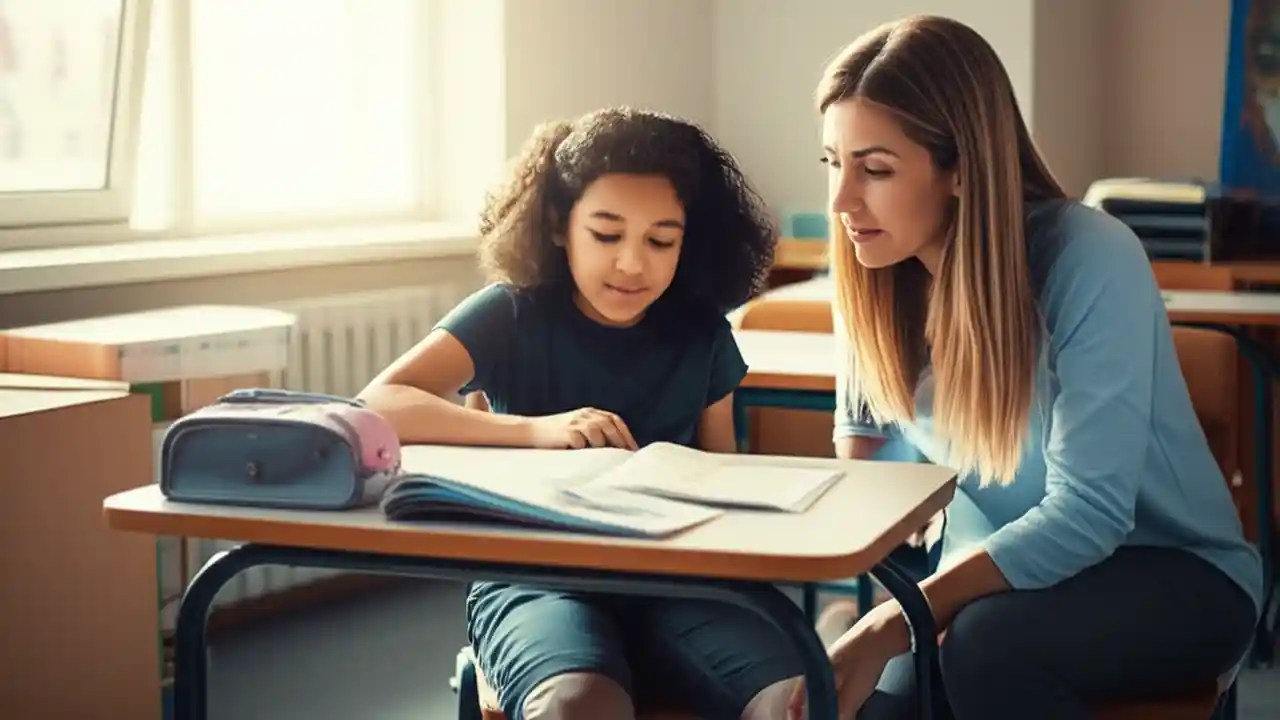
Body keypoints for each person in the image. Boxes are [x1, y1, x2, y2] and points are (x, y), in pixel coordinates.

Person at [789, 15, 1264, 720]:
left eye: (876, 169)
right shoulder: (872, 272)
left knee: (986, 649)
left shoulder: (1089, 255)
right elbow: (867, 485)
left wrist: (893, 622)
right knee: (876, 704)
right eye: (834, 162)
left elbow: (1090, 514)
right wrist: (867, 616)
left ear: (962, 168)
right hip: (988, 579)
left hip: (1171, 571)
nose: (841, 201)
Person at [359, 107, 798, 720]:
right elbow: (378, 403)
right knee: (580, 705)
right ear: (559, 226)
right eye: (606, 234)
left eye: (661, 241)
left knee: (795, 701)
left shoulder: (702, 333)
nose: (632, 264)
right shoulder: (511, 313)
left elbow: (720, 470)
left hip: (681, 579)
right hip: (534, 579)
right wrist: (537, 431)